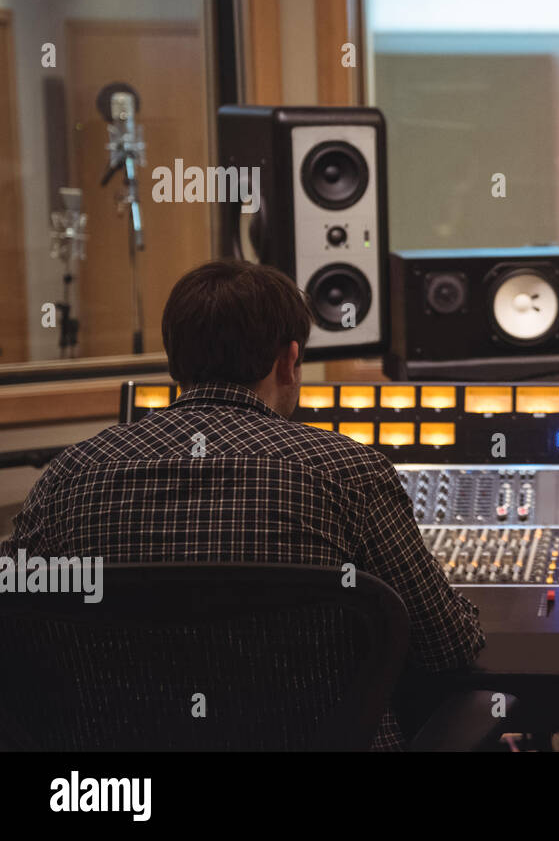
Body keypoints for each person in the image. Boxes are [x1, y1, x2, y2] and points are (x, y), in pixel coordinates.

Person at [1, 260, 484, 750]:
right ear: (288, 360)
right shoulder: (346, 472)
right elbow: (447, 647)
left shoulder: (69, 477)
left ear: (174, 362)